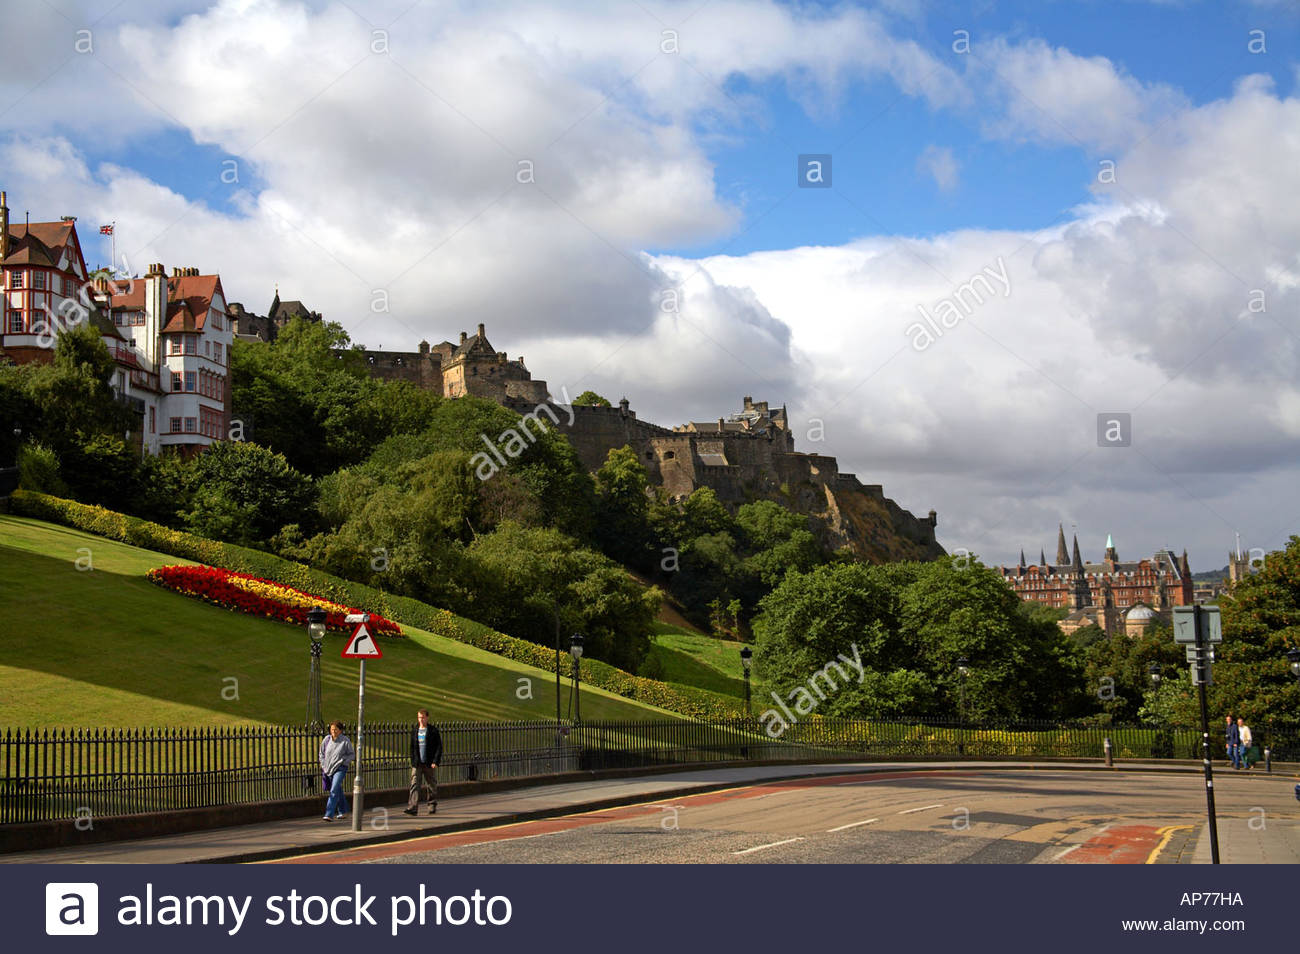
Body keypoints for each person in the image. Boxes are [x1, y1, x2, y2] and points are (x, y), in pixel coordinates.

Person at [406, 708, 443, 816]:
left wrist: (435, 761)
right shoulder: (415, 731)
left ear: (427, 718)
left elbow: (439, 747)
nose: (421, 720)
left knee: (431, 785)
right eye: (419, 718)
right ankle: (413, 807)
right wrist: (413, 761)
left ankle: (432, 804)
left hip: (429, 762)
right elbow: (412, 748)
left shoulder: (433, 731)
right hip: (417, 763)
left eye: (423, 717)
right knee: (414, 784)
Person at [319, 720, 354, 821]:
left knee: (334, 790)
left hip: (340, 769)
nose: (333, 731)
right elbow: (321, 754)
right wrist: (323, 765)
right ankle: (343, 811)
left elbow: (351, 754)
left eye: (336, 729)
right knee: (337, 790)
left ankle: (329, 814)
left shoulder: (345, 741)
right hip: (328, 768)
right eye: (332, 729)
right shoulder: (326, 740)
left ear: (340, 730)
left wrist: (344, 762)